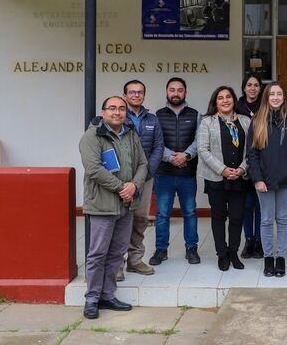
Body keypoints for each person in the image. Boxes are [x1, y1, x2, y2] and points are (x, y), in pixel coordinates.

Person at [78, 96, 147, 319]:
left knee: (117, 253)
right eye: (112, 108)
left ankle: (108, 295)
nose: (117, 112)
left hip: (126, 205)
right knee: (98, 253)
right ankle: (92, 299)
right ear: (104, 111)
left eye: (121, 109)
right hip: (103, 205)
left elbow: (143, 163)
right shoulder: (92, 135)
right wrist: (121, 188)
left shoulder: (130, 133)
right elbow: (94, 169)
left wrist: (134, 185)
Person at [246, 82, 287, 278]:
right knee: (265, 220)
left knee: (282, 219)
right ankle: (268, 259)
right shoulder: (257, 121)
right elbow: (252, 153)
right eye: (272, 94)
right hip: (263, 181)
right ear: (266, 97)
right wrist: (257, 178)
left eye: (279, 94)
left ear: (284, 97)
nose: (275, 97)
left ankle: (280, 257)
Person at [197, 85, 252, 271]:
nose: (225, 100)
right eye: (220, 98)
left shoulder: (245, 122)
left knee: (237, 217)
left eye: (228, 97)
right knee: (219, 217)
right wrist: (223, 170)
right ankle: (222, 254)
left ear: (234, 100)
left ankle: (233, 252)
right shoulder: (207, 122)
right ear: (215, 102)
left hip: (239, 179)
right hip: (216, 178)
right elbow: (202, 150)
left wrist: (242, 169)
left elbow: (253, 150)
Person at [150, 77, 201, 266]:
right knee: (163, 214)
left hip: (187, 173)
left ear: (185, 92)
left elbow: (199, 141)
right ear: (166, 92)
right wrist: (172, 157)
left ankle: (192, 249)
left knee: (190, 212)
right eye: (172, 89)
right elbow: (157, 142)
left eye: (180, 90)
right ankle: (161, 250)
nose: (176, 93)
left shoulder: (196, 115)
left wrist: (186, 156)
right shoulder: (157, 115)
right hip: (164, 173)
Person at [120, 80, 164, 281]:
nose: (136, 95)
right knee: (119, 220)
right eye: (132, 92)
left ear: (144, 96)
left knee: (140, 219)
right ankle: (116, 263)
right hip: (121, 179)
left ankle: (135, 260)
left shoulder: (152, 119)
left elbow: (158, 148)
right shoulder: (118, 116)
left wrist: (146, 173)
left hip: (144, 179)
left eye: (140, 92)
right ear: (125, 95)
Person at [236, 74, 264, 260]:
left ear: (260, 88)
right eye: (249, 85)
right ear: (244, 88)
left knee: (261, 206)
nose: (252, 88)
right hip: (243, 164)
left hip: (263, 164)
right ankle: (249, 241)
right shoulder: (236, 107)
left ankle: (260, 242)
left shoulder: (266, 106)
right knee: (247, 206)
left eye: (256, 85)